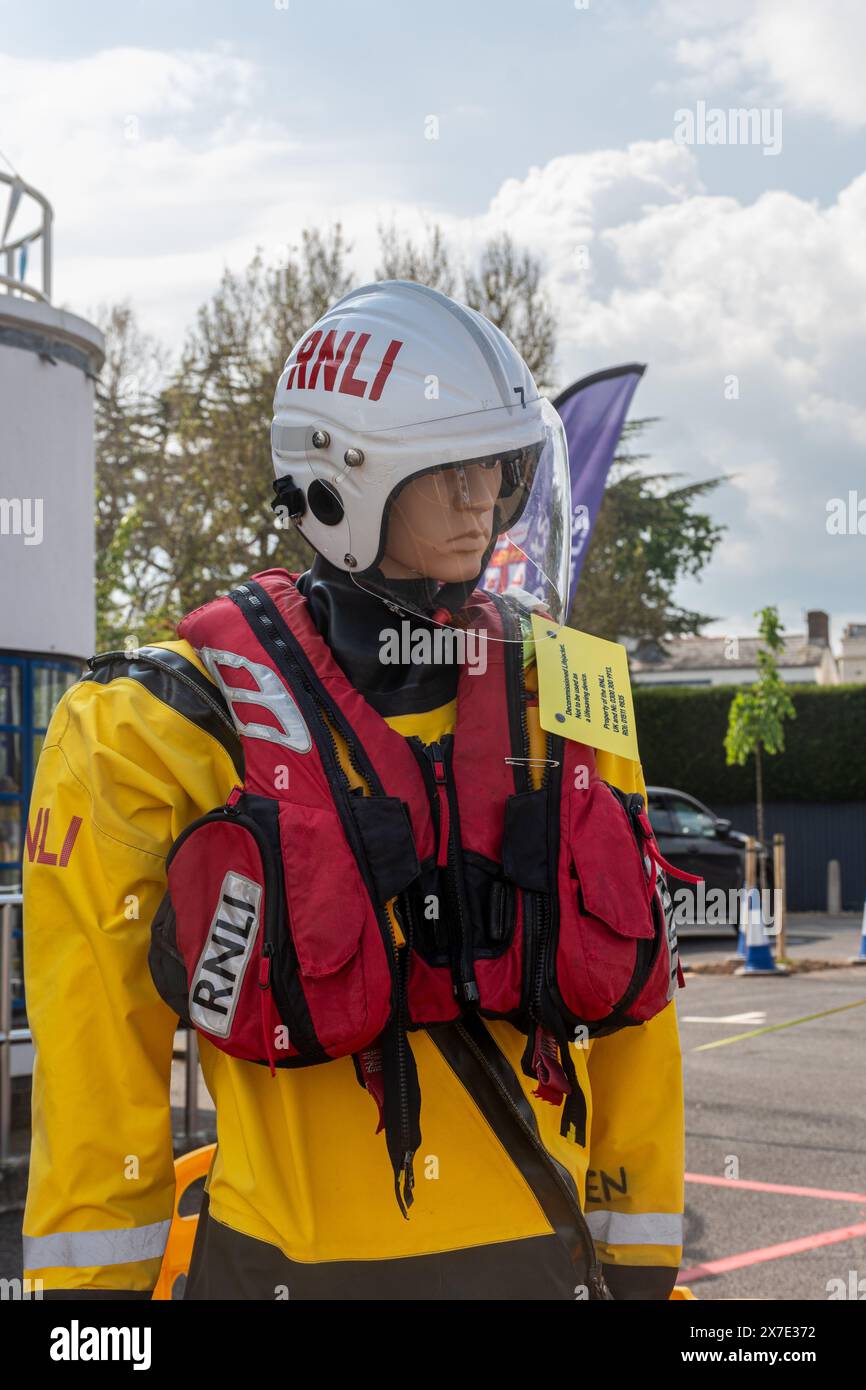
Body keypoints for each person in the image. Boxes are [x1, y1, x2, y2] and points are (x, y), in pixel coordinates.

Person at [22, 280, 684, 1300]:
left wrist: (639, 1272)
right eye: (451, 468)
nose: (484, 499)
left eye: (502, 466)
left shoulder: (571, 688)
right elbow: (96, 1080)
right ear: (339, 486)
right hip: (284, 1272)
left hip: (544, 1270)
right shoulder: (147, 729)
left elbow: (641, 1027)